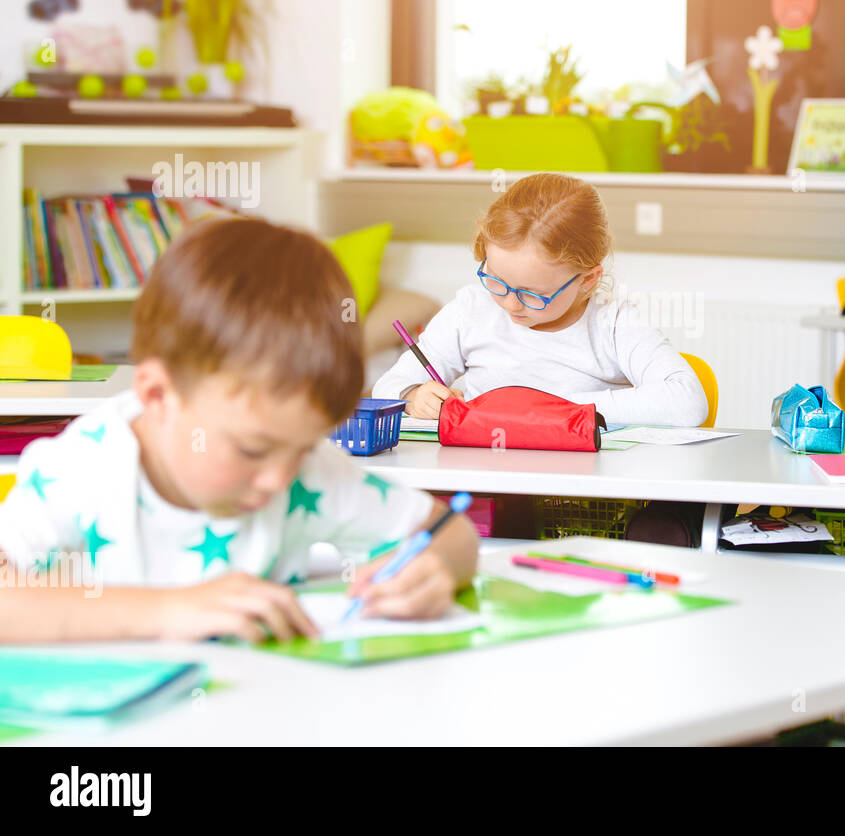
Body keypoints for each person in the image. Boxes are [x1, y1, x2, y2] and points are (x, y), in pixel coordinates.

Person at [0, 218, 479, 643]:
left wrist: (432, 571)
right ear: (158, 396)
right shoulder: (81, 471)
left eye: (303, 447)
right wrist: (167, 611)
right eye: (252, 449)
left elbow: (453, 534)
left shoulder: (302, 470)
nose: (278, 479)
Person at [373, 172, 708, 427]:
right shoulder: (472, 309)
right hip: (485, 483)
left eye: (533, 294)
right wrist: (413, 397)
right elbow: (388, 387)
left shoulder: (613, 323)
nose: (510, 304)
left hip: (581, 499)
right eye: (497, 281)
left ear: (587, 279)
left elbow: (687, 402)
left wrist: (544, 409)